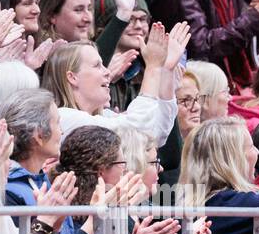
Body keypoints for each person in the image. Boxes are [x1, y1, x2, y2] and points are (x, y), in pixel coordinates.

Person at [41, 23, 181, 148]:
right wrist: (152, 68)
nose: (107, 72)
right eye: (97, 66)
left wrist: (167, 70)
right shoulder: (64, 118)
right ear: (72, 77)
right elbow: (137, 128)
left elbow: (154, 134)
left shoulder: (106, 117)